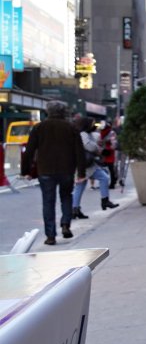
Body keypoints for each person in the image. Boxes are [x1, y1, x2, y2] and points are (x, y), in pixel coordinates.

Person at [21, 101, 86, 245]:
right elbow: (79, 151)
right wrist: (81, 172)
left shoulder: (39, 128)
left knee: (48, 202)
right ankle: (65, 224)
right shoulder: (71, 128)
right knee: (66, 197)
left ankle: (50, 236)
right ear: (63, 112)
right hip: (67, 169)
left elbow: (29, 151)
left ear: (47, 112)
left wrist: (25, 170)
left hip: (45, 170)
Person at [71, 117, 118, 219]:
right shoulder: (83, 134)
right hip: (85, 164)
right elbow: (89, 146)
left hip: (85, 164)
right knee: (104, 178)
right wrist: (99, 149)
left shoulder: (87, 134)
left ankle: (75, 210)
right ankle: (104, 201)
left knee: (80, 186)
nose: (94, 126)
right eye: (92, 124)